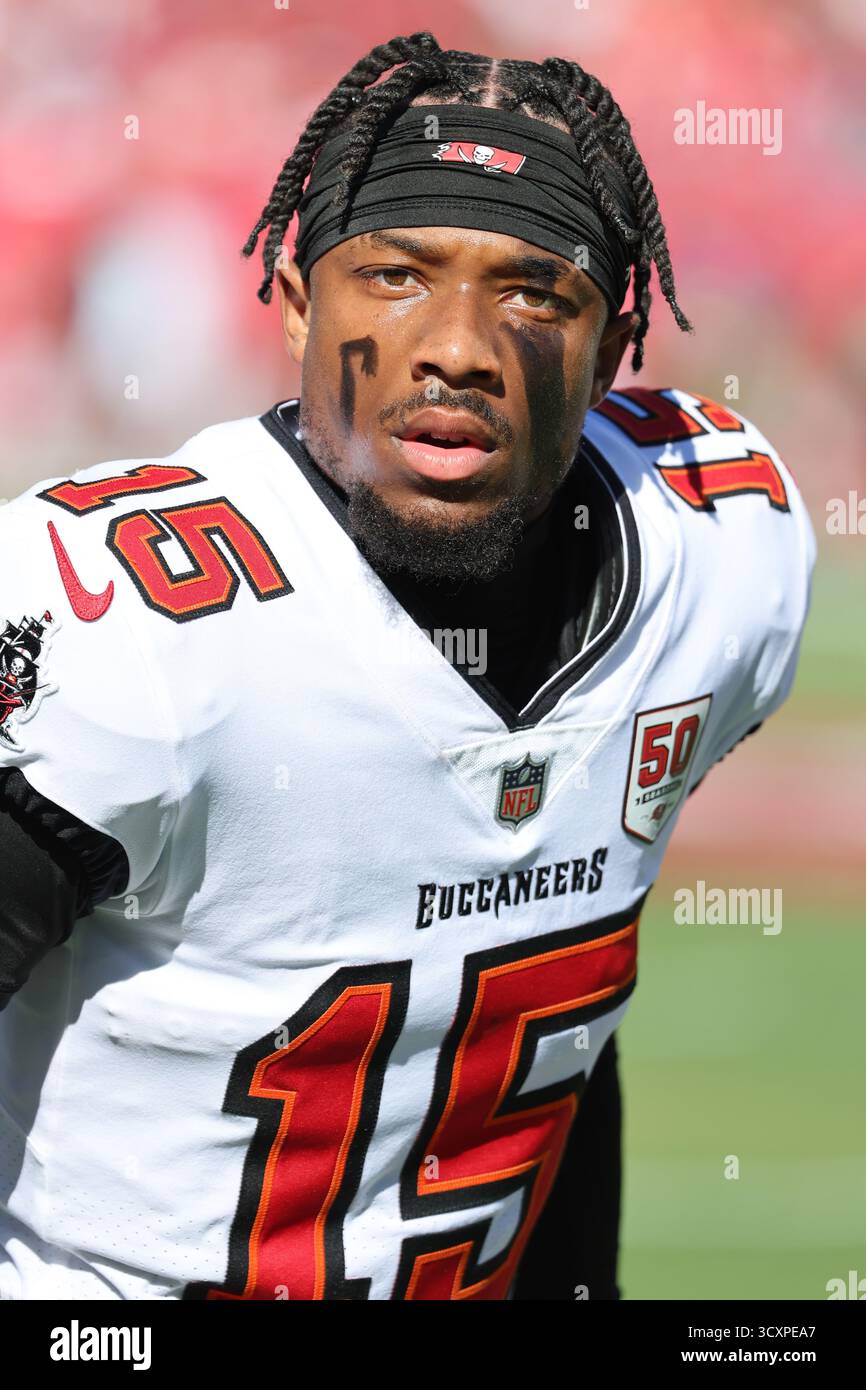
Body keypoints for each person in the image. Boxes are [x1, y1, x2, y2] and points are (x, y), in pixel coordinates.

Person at [0, 33, 814, 1301]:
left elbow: (535, 1039)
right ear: (291, 302)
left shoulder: (716, 555)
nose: (456, 346)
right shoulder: (131, 631)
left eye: (534, 292)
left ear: (612, 353)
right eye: (391, 275)